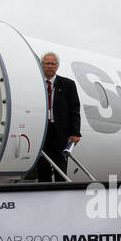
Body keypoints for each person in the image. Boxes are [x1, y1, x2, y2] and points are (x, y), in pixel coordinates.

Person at [36, 52, 81, 183]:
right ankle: (44, 197)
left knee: (60, 169)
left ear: (57, 66)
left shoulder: (68, 85)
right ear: (42, 65)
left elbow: (74, 110)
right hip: (43, 132)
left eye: (53, 64)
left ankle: (61, 197)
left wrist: (75, 133)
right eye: (47, 63)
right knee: (43, 169)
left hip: (60, 132)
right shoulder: (36, 83)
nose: (50, 66)